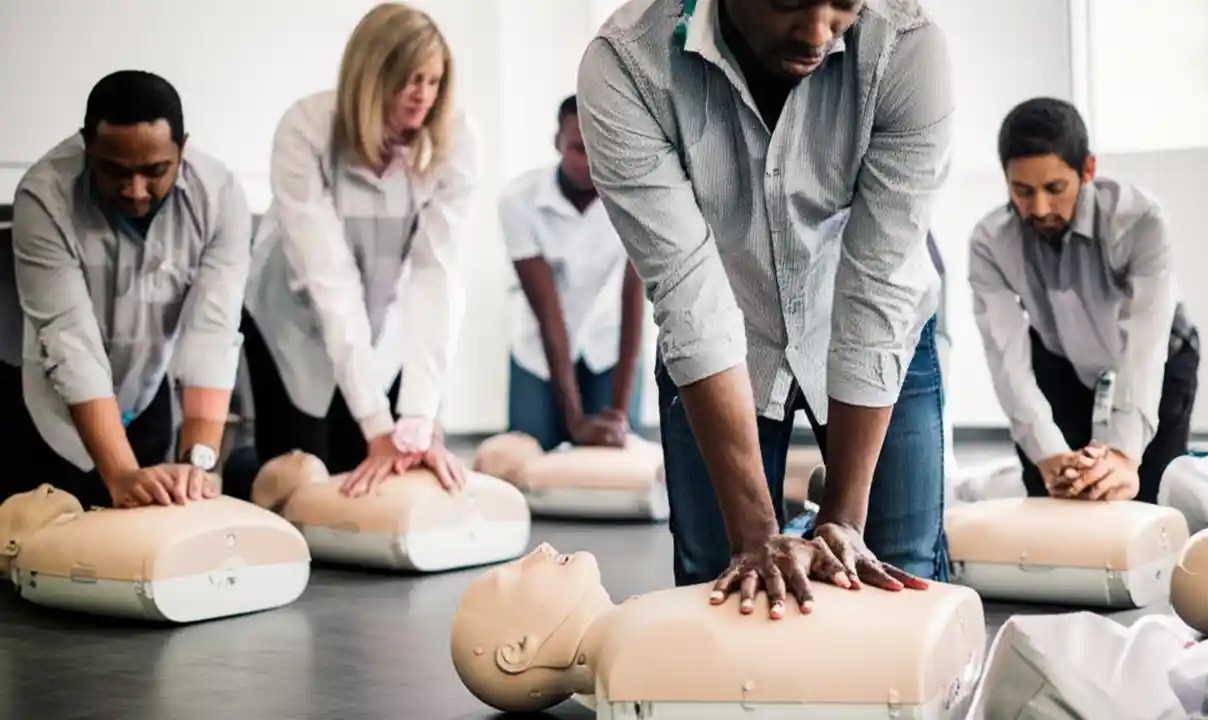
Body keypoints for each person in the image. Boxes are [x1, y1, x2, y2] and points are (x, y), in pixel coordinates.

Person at [577, 0, 954, 616]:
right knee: (723, 584)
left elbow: (878, 282)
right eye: (788, 3)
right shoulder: (625, 65)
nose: (816, 34)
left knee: (897, 575)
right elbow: (688, 291)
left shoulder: (905, 45)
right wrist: (755, 534)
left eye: (844, 5)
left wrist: (847, 519)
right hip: (722, 332)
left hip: (872, 327)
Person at [241, 2, 479, 499]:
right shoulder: (305, 128)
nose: (423, 96)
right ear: (373, 74)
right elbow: (329, 279)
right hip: (292, 317)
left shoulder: (454, 139)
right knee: (299, 476)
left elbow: (437, 277)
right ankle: (239, 482)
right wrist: (375, 421)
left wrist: (418, 417)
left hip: (381, 319)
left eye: (433, 81)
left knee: (369, 472)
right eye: (410, 80)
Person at [0, 70, 250, 510]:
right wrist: (119, 473)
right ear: (86, 145)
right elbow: (70, 342)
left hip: (147, 393)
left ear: (182, 149)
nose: (135, 192)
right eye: (114, 171)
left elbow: (213, 333)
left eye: (155, 172)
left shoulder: (220, 196)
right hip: (59, 415)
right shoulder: (44, 197)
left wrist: (199, 465)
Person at [968, 97, 1199, 505]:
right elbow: (1006, 359)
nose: (1039, 208)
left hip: (1160, 355)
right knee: (1054, 491)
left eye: (1055, 189)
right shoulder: (990, 242)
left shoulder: (1141, 222)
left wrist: (1124, 454)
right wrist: (1048, 453)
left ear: (1087, 170)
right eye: (1022, 191)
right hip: (1060, 360)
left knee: (1148, 498)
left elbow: (1143, 347)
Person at [498, 95, 645, 451]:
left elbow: (633, 303)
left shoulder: (635, 200)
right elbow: (549, 316)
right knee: (531, 457)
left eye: (599, 148)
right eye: (578, 148)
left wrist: (618, 416)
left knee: (611, 458)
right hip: (539, 352)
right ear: (557, 143)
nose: (589, 162)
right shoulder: (519, 200)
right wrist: (574, 419)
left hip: (607, 347)